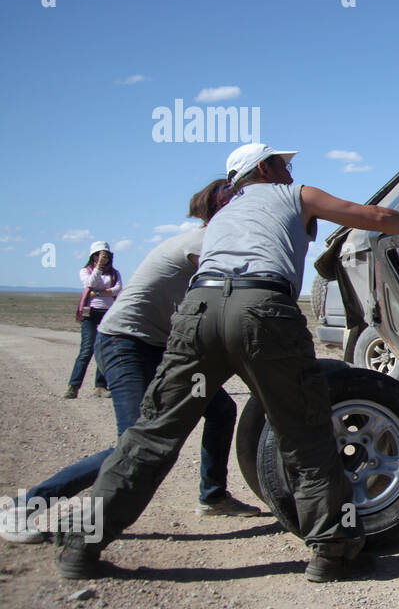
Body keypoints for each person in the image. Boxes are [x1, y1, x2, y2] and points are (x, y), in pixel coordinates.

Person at [55, 143, 399, 582]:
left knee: (152, 434)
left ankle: (82, 546)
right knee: (304, 432)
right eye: (283, 164)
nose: (290, 171)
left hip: (198, 312)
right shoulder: (298, 195)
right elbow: (374, 218)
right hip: (262, 310)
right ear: (263, 168)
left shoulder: (224, 214)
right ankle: (334, 551)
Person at [1, 181, 259, 545]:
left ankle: (213, 495)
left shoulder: (207, 242)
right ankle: (23, 506)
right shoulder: (203, 246)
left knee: (219, 408)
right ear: (227, 211)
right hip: (125, 343)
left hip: (156, 346)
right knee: (133, 444)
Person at [65, 243, 121, 398]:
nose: (102, 258)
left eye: (105, 255)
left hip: (108, 313)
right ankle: (73, 386)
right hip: (90, 314)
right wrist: (98, 268)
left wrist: (96, 293)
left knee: (104, 350)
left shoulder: (115, 273)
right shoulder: (86, 271)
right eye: (98, 255)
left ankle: (100, 386)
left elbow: (117, 290)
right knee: (87, 349)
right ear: (93, 256)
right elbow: (89, 283)